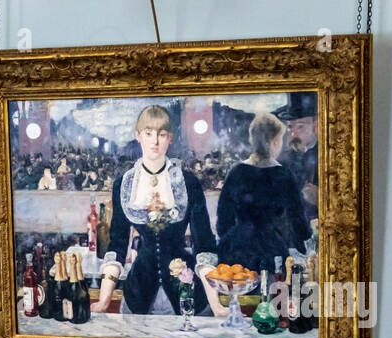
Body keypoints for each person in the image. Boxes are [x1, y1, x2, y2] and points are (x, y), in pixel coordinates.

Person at [93, 105, 223, 317]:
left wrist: (216, 305)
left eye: (161, 134)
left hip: (186, 290)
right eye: (148, 133)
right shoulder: (124, 185)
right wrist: (104, 299)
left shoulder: (188, 182)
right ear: (138, 136)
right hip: (139, 291)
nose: (155, 141)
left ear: (170, 138)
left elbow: (204, 246)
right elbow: (117, 244)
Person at [216, 112, 312, 275]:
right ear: (274, 141)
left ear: (252, 139)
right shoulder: (283, 175)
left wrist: (230, 239)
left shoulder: (237, 172)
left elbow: (223, 219)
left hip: (237, 247)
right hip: (271, 247)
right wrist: (304, 238)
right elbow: (297, 219)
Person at [278, 92, 318, 221]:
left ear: (316, 125)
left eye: (300, 126)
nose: (293, 133)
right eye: (290, 127)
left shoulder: (330, 155)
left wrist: (321, 199)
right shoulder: (284, 160)